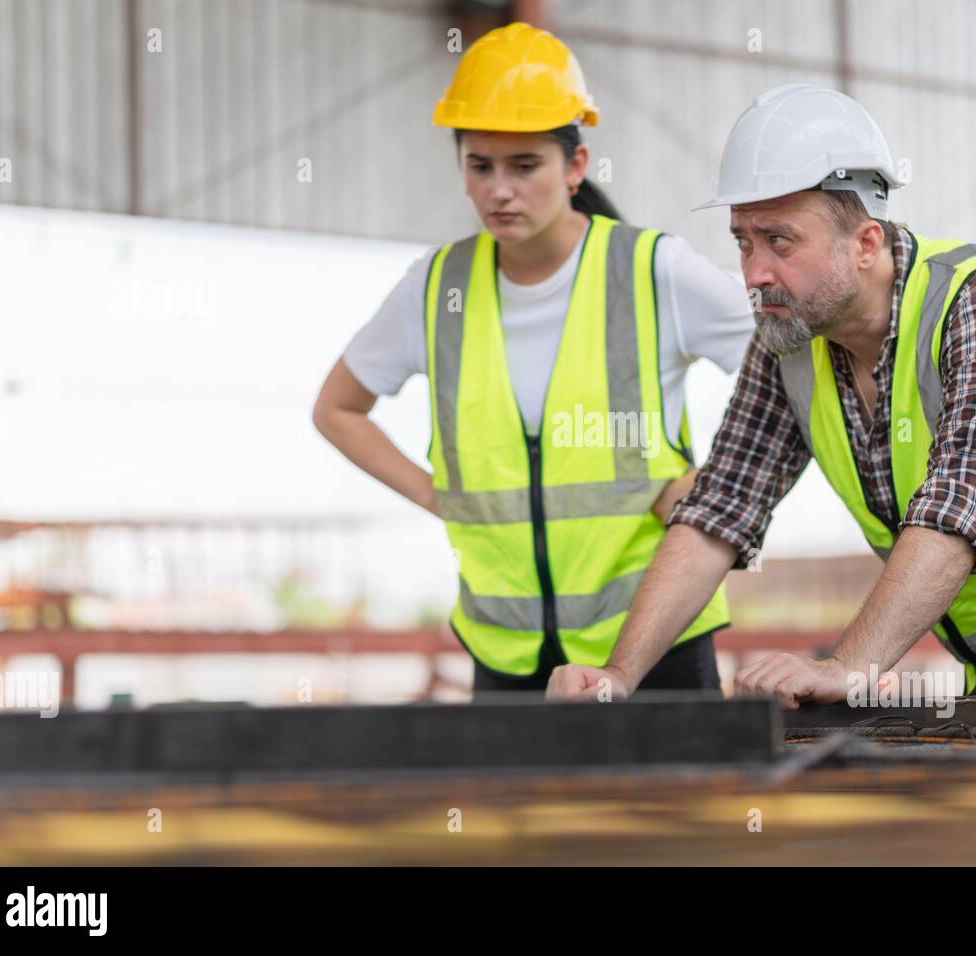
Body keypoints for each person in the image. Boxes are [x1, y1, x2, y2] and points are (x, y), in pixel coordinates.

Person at [547, 84, 976, 707]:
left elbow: (960, 510)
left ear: (866, 243)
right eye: (742, 242)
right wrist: (617, 677)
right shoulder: (789, 340)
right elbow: (716, 512)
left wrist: (848, 667)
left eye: (779, 240)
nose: (754, 273)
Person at [312, 23, 754, 695]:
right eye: (479, 165)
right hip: (507, 651)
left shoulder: (652, 270)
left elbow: (794, 372)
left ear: (576, 167)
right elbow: (337, 409)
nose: (500, 191)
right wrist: (438, 496)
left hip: (656, 638)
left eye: (525, 166)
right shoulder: (436, 289)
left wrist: (716, 494)